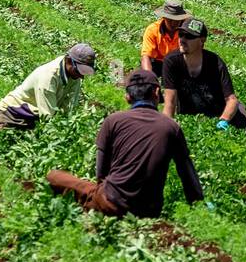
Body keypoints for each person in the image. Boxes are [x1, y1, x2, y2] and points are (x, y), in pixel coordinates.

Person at [45, 69, 203, 219]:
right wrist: (198, 204)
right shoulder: (171, 127)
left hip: (110, 204)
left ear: (127, 97)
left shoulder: (113, 121)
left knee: (54, 176)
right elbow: (187, 174)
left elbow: (101, 173)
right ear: (156, 92)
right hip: (149, 211)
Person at [0, 43, 96, 141]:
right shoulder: (48, 78)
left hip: (34, 120)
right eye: (79, 71)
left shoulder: (74, 75)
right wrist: (58, 139)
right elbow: (47, 117)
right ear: (68, 61)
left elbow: (69, 109)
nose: (81, 76)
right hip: (13, 114)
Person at [161, 18, 246, 130]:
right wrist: (167, 125)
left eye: (189, 36)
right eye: (181, 34)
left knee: (244, 126)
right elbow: (170, 100)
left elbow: (232, 100)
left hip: (217, 114)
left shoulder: (215, 62)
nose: (182, 39)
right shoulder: (171, 61)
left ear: (202, 40)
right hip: (190, 116)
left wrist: (223, 120)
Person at [140, 0, 191, 75]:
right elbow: (146, 56)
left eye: (176, 20)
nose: (173, 23)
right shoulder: (152, 30)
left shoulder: (188, 30)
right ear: (164, 18)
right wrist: (150, 78)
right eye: (170, 20)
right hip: (159, 63)